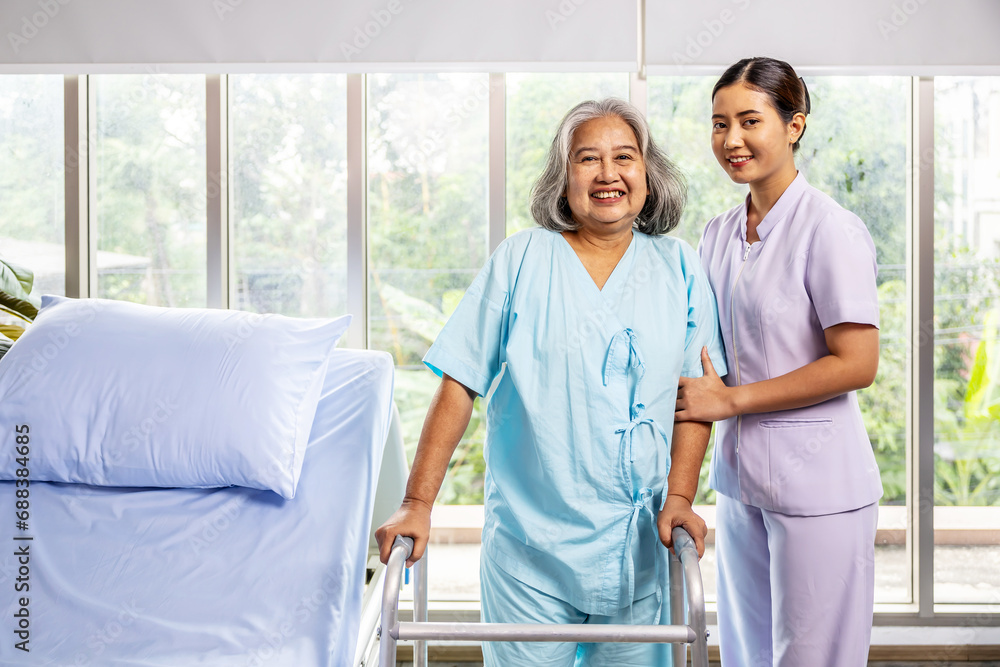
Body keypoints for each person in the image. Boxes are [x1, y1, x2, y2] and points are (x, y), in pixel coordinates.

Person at [376, 98, 726, 666]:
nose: (608, 174)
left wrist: (682, 498)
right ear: (563, 181)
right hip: (529, 553)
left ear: (647, 174)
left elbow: (696, 399)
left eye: (625, 157)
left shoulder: (680, 267)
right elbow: (460, 382)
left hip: (638, 549)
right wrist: (418, 503)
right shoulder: (521, 259)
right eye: (588, 159)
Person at [675, 57, 882, 666]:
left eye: (749, 121)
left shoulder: (830, 230)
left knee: (811, 658)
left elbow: (856, 362)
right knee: (747, 654)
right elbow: (706, 348)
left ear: (794, 126)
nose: (731, 140)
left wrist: (733, 400)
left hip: (820, 486)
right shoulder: (716, 234)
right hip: (742, 485)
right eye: (718, 124)